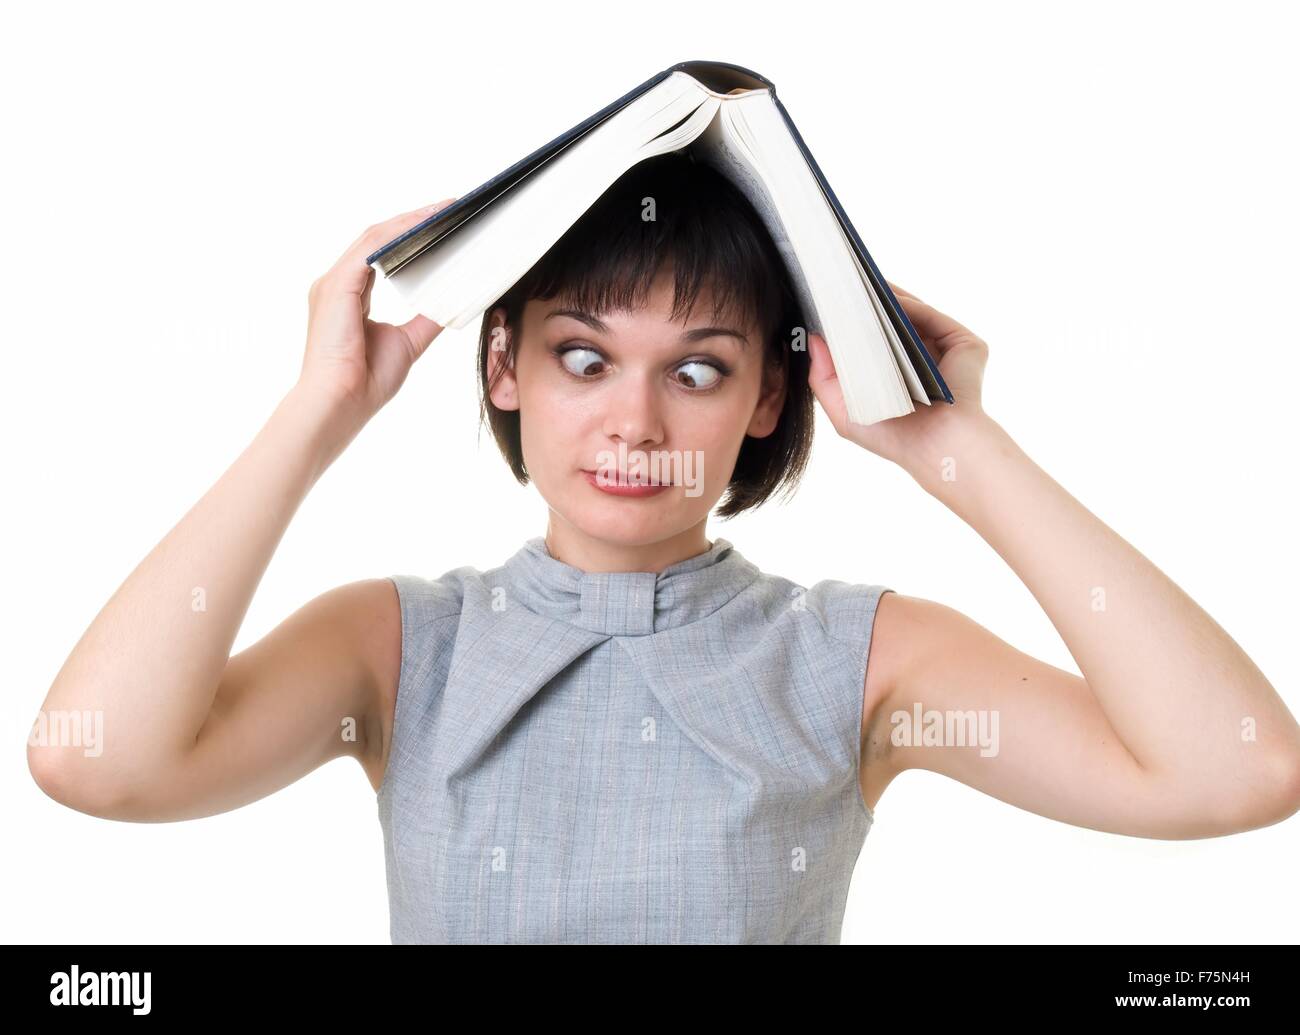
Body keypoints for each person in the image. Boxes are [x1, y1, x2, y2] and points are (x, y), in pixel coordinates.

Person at [28, 153, 1300, 944]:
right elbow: (97, 763)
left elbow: (1234, 774)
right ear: (501, 364)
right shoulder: (402, 645)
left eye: (697, 369)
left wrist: (960, 453)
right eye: (581, 357)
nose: (632, 422)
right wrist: (316, 417)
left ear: (768, 400)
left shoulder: (857, 660)